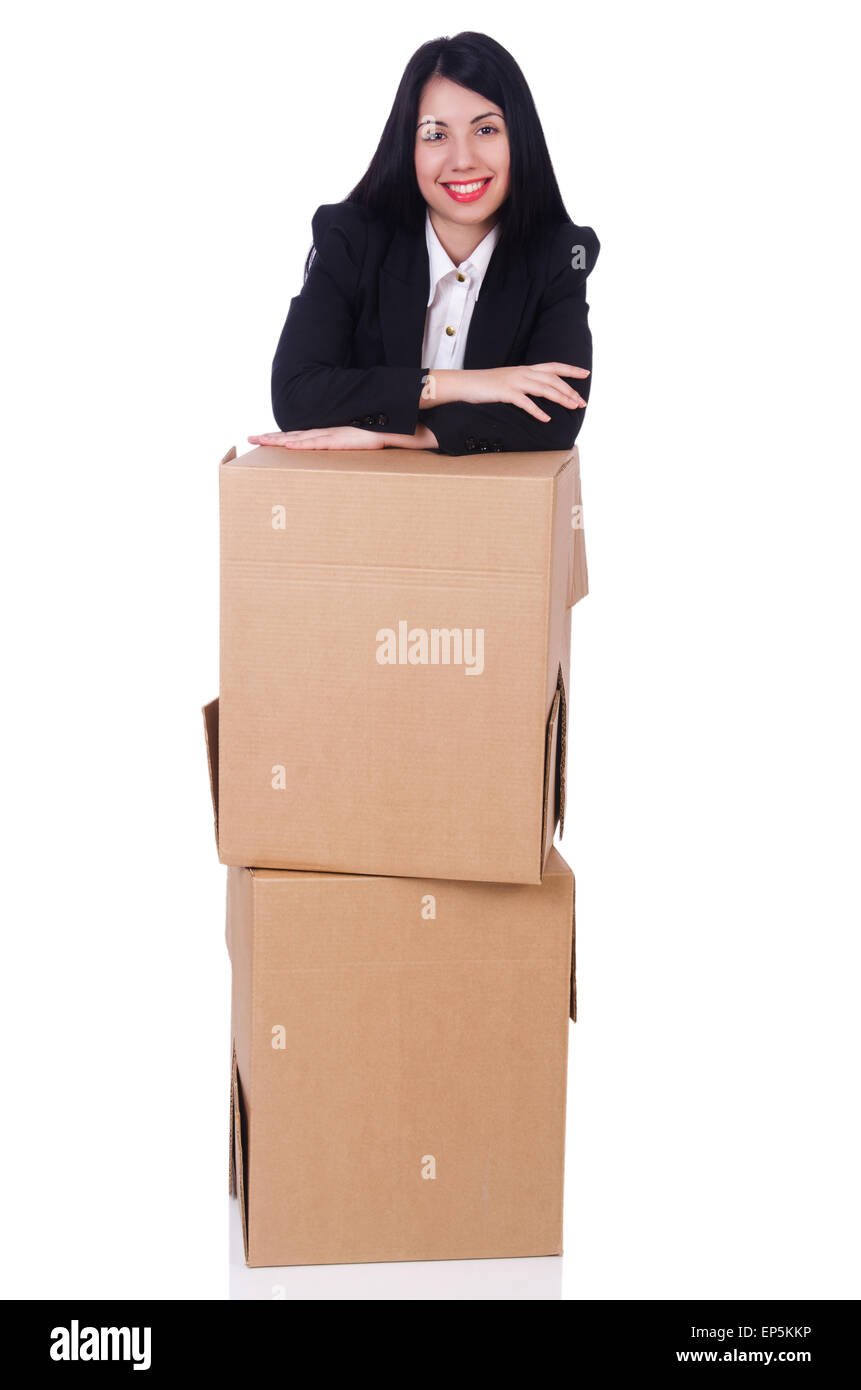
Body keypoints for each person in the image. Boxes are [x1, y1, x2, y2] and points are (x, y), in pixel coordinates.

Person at [248, 31, 599, 457]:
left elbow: (556, 417)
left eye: (486, 129)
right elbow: (297, 395)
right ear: (408, 147)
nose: (463, 159)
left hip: (488, 511)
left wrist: (396, 433)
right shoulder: (351, 238)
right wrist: (474, 384)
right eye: (436, 135)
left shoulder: (560, 257)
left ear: (519, 139)